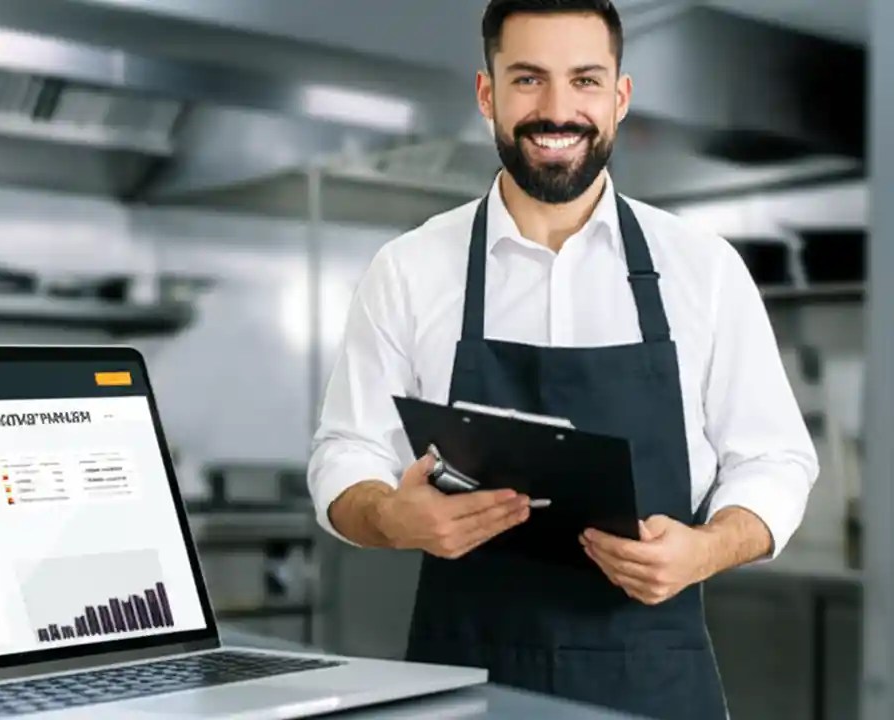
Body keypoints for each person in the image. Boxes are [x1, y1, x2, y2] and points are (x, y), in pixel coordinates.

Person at [306, 1, 819, 718]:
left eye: (584, 80)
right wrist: (390, 517)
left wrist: (705, 550)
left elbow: (776, 461)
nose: (556, 109)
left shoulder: (703, 270)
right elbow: (344, 453)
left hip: (651, 680)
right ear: (486, 94)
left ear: (620, 96)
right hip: (464, 679)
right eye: (527, 79)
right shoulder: (410, 269)